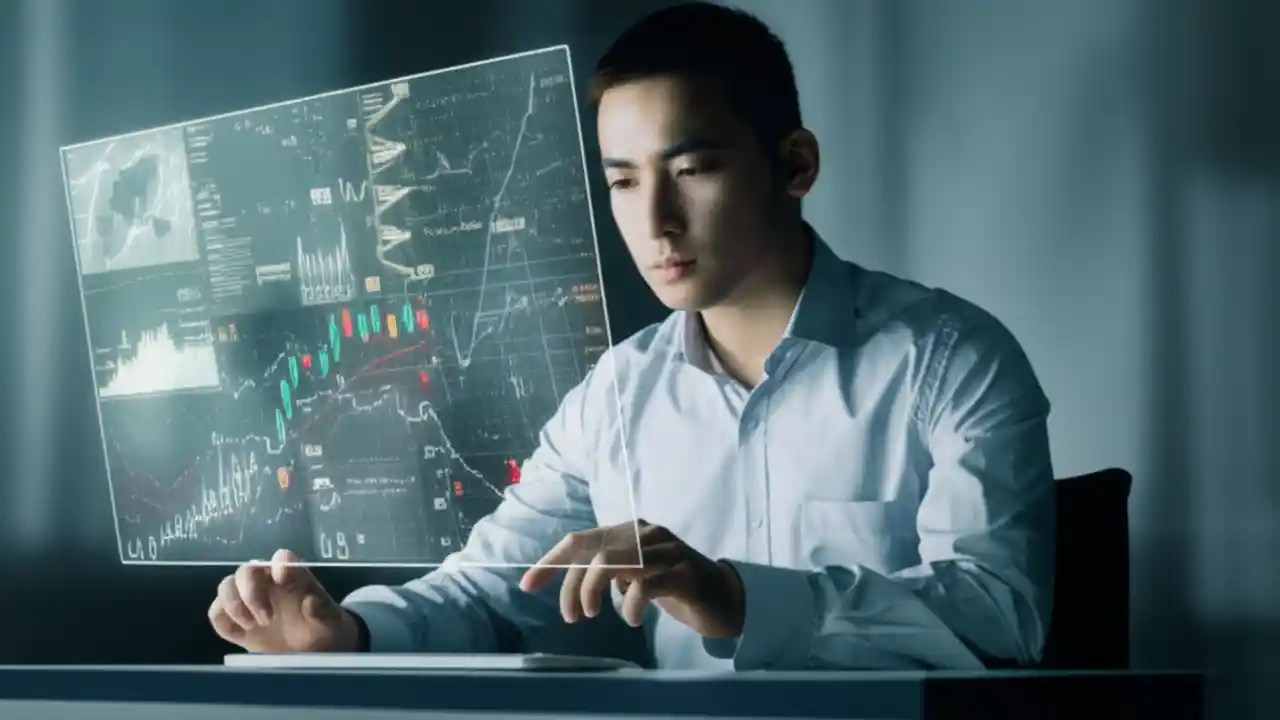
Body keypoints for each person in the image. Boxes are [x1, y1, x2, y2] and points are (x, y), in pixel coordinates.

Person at [207, 1, 1056, 671]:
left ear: (795, 164)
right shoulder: (616, 395)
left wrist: (737, 598)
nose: (654, 221)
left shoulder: (950, 361)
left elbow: (998, 614)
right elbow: (489, 591)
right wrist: (346, 634)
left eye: (691, 170)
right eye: (622, 181)